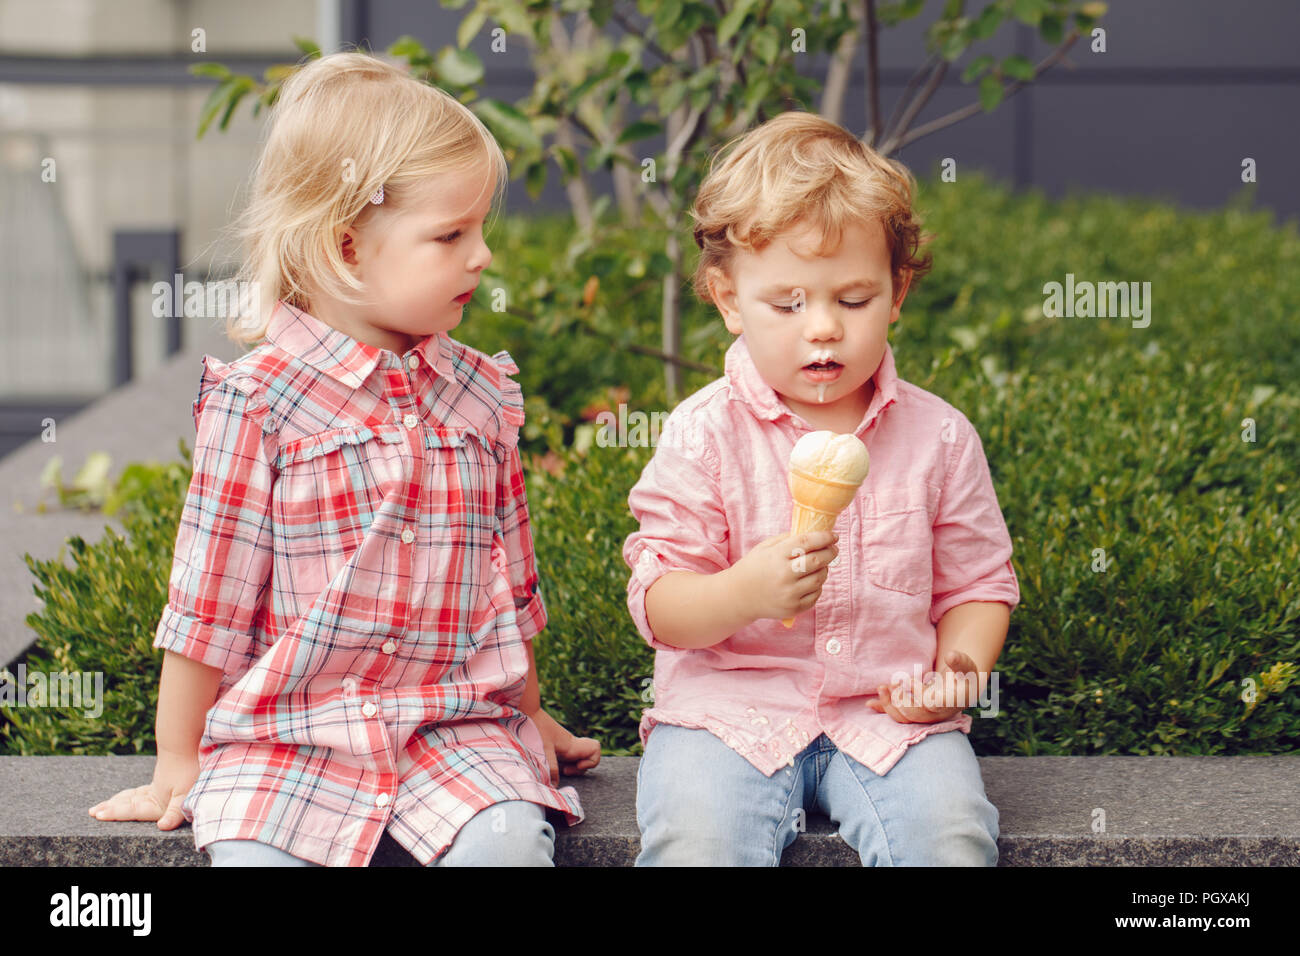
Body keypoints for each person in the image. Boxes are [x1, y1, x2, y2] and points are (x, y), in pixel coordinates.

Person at [89, 50, 599, 866]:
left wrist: (527, 712)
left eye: (481, 230)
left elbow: (508, 580)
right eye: (451, 234)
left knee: (506, 847)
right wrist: (178, 760)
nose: (483, 256)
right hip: (287, 741)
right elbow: (207, 603)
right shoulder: (260, 402)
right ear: (347, 246)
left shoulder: (479, 394)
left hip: (453, 731)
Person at [623, 111, 1019, 866]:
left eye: (854, 299)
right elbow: (661, 604)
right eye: (788, 304)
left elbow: (978, 583)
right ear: (728, 298)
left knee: (952, 837)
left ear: (897, 292)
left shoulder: (939, 437)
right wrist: (745, 591)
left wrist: (958, 674)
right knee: (697, 842)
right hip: (725, 718)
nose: (825, 328)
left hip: (889, 720)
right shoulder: (701, 433)